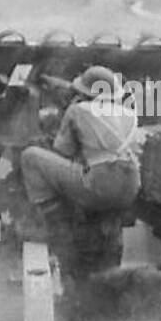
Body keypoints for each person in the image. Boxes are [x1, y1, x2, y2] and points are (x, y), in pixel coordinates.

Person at [20, 65, 141, 247]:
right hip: (131, 184)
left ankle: (55, 227)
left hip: (100, 183)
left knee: (30, 157)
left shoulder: (77, 110)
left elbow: (63, 151)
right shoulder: (129, 114)